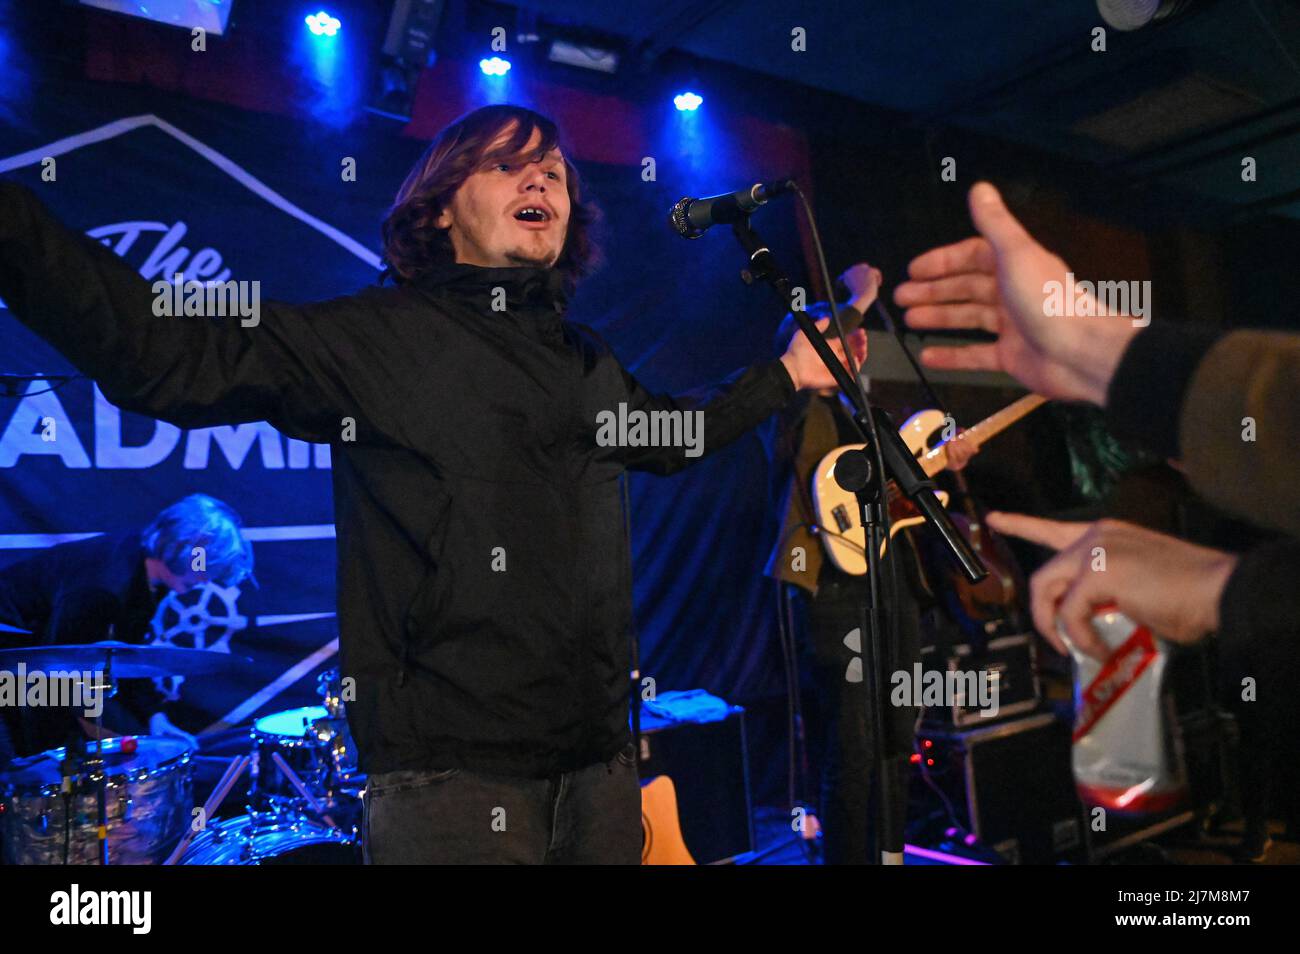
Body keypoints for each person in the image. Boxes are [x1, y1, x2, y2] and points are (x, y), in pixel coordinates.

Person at [0, 104, 860, 864]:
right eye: (508, 163)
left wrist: (786, 375)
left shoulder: (584, 359)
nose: (543, 179)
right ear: (440, 204)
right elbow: (166, 352)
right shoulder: (373, 338)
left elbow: (674, 436)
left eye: (555, 171)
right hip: (449, 782)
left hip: (600, 765)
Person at [764, 262, 979, 864]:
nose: (854, 344)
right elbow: (809, 340)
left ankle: (890, 855)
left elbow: (901, 500)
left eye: (857, 338)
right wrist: (862, 296)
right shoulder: (794, 407)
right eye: (838, 337)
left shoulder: (868, 418)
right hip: (834, 595)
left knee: (894, 737)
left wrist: (942, 464)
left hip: (892, 589)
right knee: (854, 749)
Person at [0, 493, 254, 763]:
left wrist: (154, 718)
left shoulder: (143, 569)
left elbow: (126, 657)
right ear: (180, 548)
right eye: (203, 567)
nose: (205, 580)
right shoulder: (104, 586)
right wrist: (138, 743)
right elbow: (62, 683)